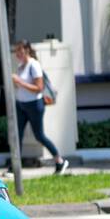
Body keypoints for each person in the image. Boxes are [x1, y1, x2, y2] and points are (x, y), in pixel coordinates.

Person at [11, 40, 68, 173]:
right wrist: (16, 84)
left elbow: (39, 88)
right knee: (17, 135)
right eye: (16, 51)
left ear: (27, 50)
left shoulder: (34, 65)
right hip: (21, 104)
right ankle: (15, 167)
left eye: (19, 50)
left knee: (39, 135)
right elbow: (21, 87)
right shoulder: (20, 67)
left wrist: (19, 81)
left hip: (34, 105)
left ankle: (60, 160)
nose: (17, 53)